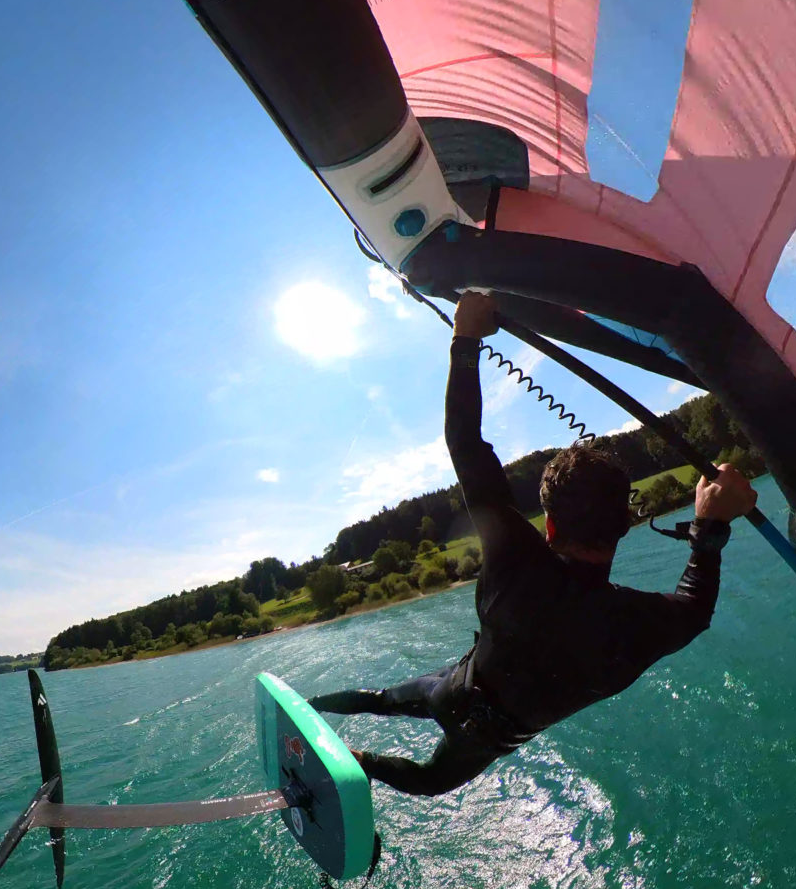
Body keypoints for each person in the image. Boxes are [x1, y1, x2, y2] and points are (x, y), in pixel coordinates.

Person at [310, 291, 758, 796]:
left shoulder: (517, 563)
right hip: (488, 737)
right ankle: (359, 762)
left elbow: (465, 443)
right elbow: (695, 609)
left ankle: (310, 709)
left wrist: (465, 340)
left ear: (548, 525)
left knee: (385, 699)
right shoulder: (634, 628)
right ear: (625, 526)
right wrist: (708, 524)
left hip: (452, 691)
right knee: (432, 781)